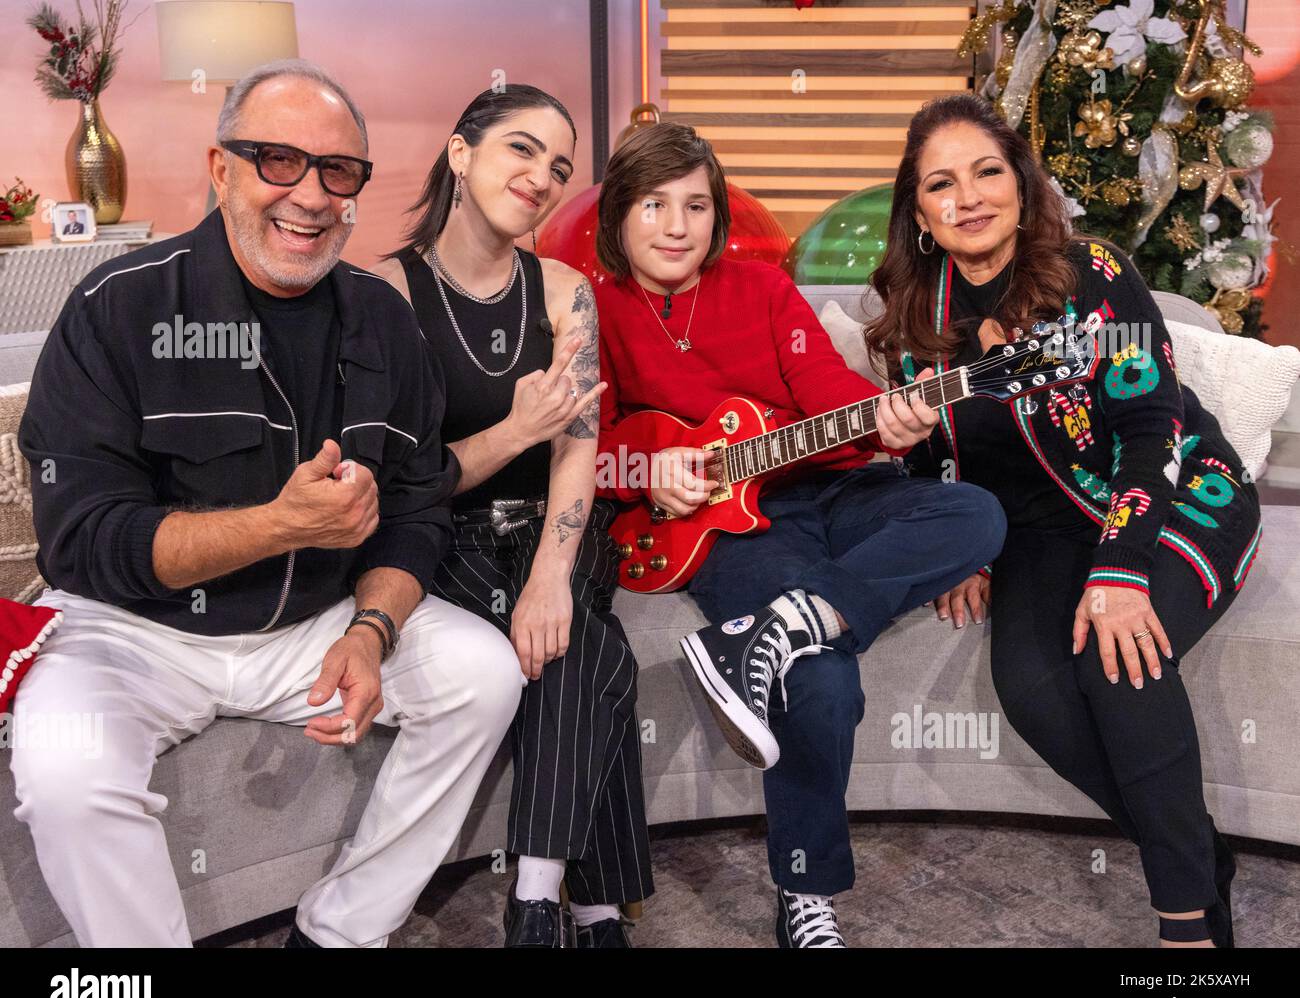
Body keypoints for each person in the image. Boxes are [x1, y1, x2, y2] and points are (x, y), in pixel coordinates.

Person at [12, 59, 524, 948]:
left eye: (338, 171)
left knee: (483, 674)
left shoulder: (381, 320)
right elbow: (82, 541)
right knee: (63, 768)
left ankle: (339, 931)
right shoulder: (118, 307)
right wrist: (277, 527)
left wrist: (373, 633)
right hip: (133, 630)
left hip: (312, 625)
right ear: (221, 169)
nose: (312, 195)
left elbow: (415, 507)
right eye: (277, 160)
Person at [594, 122, 1006, 946]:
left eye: (697, 206)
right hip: (731, 528)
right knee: (822, 683)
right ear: (618, 216)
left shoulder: (763, 290)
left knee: (975, 514)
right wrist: (651, 468)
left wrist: (887, 428)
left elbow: (825, 394)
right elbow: (584, 449)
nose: (678, 226)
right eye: (654, 204)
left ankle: (779, 627)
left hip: (835, 488)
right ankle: (805, 891)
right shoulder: (592, 306)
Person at [867, 92, 1263, 948]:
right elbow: (931, 459)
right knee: (1036, 694)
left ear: (1020, 182)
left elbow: (1149, 426)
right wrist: (955, 538)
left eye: (986, 172)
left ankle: (1187, 929)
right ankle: (1198, 854)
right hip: (1041, 534)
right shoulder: (913, 319)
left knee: (1121, 664)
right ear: (921, 211)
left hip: (1176, 493)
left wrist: (1121, 572)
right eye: (942, 183)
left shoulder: (1094, 275)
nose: (968, 196)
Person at [373, 85, 653, 949]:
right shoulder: (387, 294)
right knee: (599, 653)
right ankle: (596, 911)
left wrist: (548, 579)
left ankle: (534, 902)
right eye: (521, 151)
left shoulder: (566, 293)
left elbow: (577, 449)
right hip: (443, 532)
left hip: (556, 524)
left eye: (558, 167)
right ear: (461, 155)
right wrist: (512, 430)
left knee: (566, 628)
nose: (541, 178)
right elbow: (406, 483)